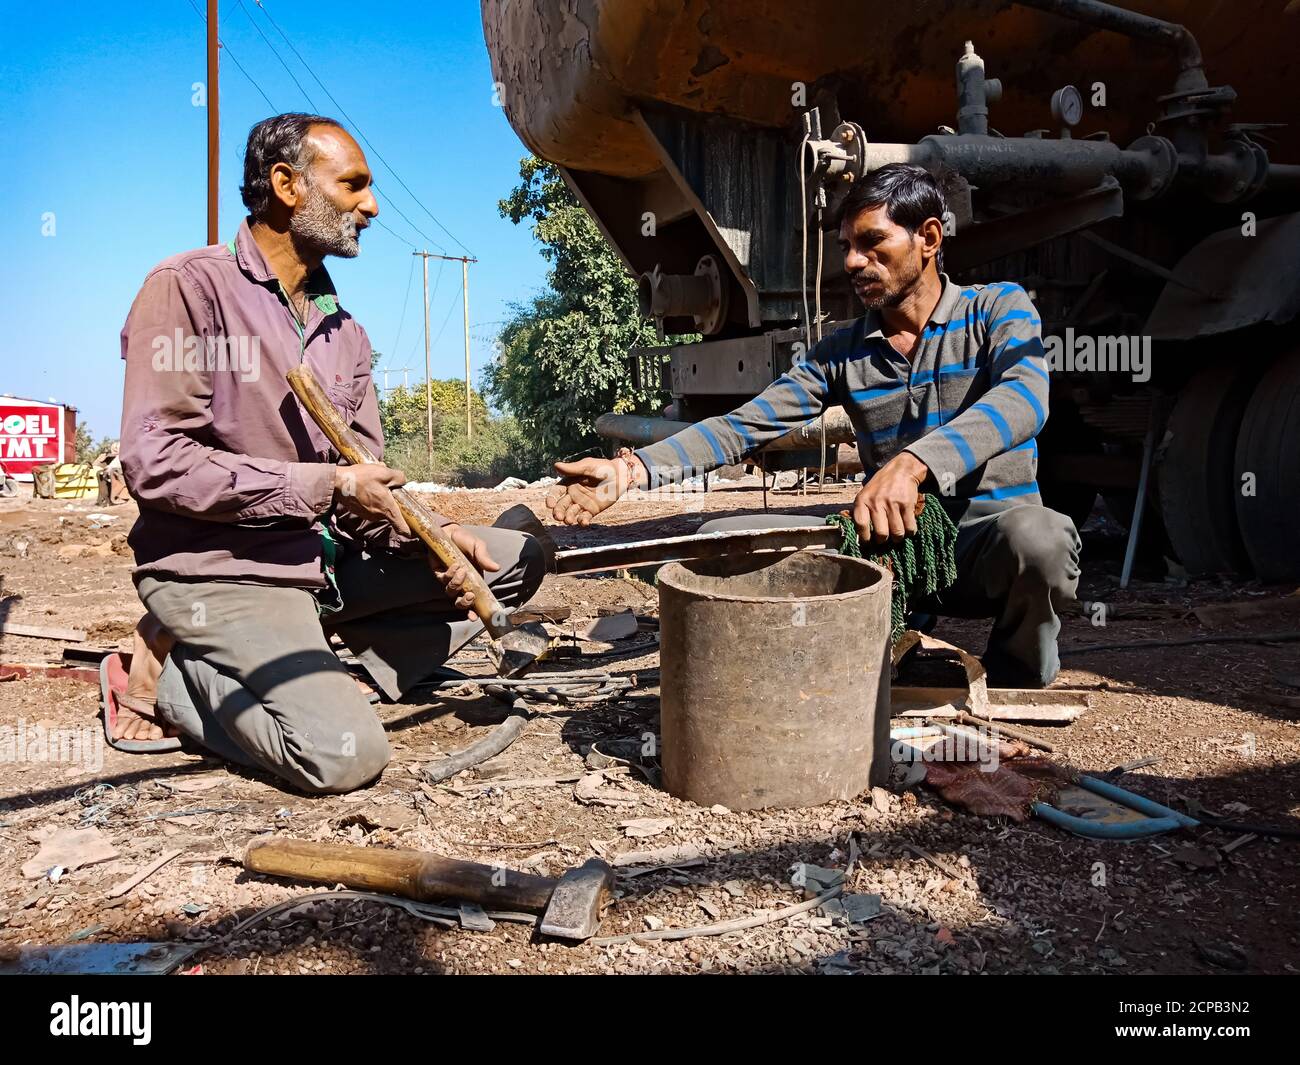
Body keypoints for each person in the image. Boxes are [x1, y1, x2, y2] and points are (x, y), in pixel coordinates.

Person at [114, 113, 544, 792]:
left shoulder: (344, 333)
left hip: (320, 565)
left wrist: (435, 536)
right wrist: (325, 488)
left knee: (518, 558)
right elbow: (154, 462)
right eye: (353, 185)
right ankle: (171, 674)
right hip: (227, 569)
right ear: (286, 184)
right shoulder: (190, 289)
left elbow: (363, 495)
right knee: (343, 754)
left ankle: (320, 663)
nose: (371, 206)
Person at [546, 163, 1079, 688]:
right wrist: (633, 469)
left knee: (1042, 538)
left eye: (872, 242)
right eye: (846, 245)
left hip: (984, 549)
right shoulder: (839, 352)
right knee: (723, 539)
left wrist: (912, 466)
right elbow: (742, 426)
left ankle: (1015, 676)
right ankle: (890, 642)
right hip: (890, 548)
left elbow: (1023, 398)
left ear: (930, 238)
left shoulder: (998, 308)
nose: (852, 260)